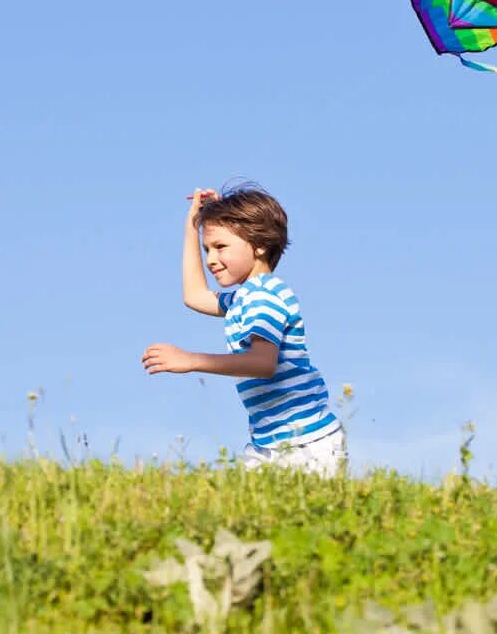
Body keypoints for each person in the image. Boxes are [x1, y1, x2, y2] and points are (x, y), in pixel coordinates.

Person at [142, 184, 346, 476]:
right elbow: (195, 295)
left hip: (308, 443)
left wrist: (190, 361)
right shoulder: (242, 299)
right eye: (207, 250)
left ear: (259, 244)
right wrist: (191, 228)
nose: (211, 259)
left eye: (221, 247)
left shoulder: (265, 295)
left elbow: (262, 363)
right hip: (268, 443)